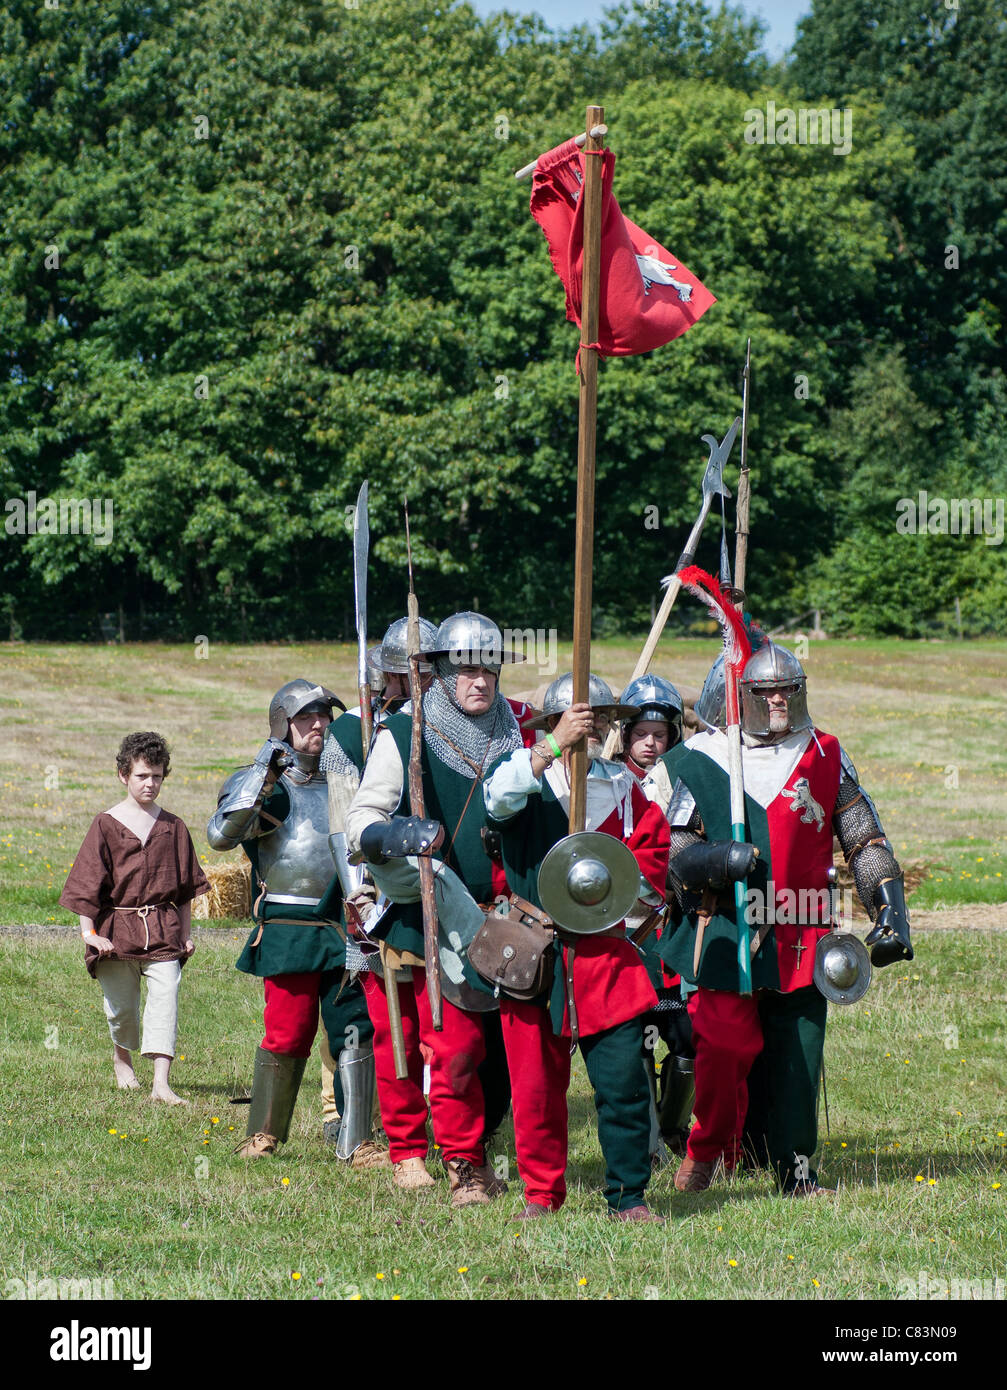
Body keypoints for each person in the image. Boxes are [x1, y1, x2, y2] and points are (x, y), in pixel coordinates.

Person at [659, 642, 914, 1196]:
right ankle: (706, 1151)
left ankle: (796, 1172)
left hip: (802, 933)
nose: (778, 699)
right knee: (724, 1052)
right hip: (727, 932)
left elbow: (863, 837)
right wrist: (717, 860)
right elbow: (676, 855)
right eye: (765, 691)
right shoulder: (709, 758)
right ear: (743, 696)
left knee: (799, 1060)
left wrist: (890, 907)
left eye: (788, 689)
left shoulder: (823, 753)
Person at [345, 612, 528, 1207]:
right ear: (443, 673)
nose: (479, 680)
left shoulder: (513, 733)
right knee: (416, 1039)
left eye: (489, 668)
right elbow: (361, 825)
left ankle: (467, 1152)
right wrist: (398, 838)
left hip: (492, 918)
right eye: (466, 668)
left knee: (468, 1048)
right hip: (418, 910)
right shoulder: (405, 734)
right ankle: (425, 1156)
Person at [482, 673, 671, 1222]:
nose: (590, 734)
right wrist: (551, 746)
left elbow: (652, 863)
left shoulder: (625, 789)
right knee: (536, 1087)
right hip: (534, 954)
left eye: (598, 724)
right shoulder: (525, 778)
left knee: (623, 1083)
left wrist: (619, 909)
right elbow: (497, 800)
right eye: (579, 725)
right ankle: (541, 1194)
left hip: (605, 957)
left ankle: (628, 1196)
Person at [207, 680, 385, 1166]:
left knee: (354, 1030)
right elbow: (221, 836)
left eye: (325, 716)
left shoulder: (355, 785)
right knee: (287, 1031)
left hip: (348, 922)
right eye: (306, 718)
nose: (319, 725)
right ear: (283, 724)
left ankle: (358, 1139)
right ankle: (263, 1132)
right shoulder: (272, 789)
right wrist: (264, 771)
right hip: (288, 924)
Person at [59, 732, 209, 1103]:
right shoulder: (106, 824)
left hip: (163, 930)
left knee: (165, 997)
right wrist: (89, 934)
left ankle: (161, 1083)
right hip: (116, 931)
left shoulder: (173, 827)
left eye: (157, 776)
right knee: (122, 1009)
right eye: (143, 776)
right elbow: (86, 883)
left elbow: (185, 891)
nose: (151, 784)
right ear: (124, 775)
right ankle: (121, 1057)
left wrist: (186, 935)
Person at [615, 676, 694, 1161]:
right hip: (624, 933)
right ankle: (646, 1146)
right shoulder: (606, 781)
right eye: (641, 733)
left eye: (659, 734)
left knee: (686, 1041)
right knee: (635, 1046)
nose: (650, 742)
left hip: (675, 930)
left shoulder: (687, 779)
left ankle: (672, 1127)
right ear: (626, 737)